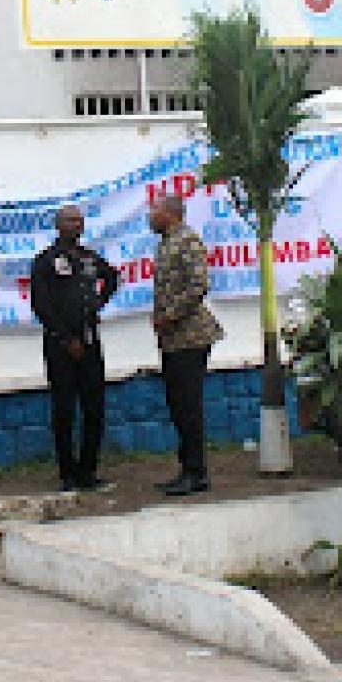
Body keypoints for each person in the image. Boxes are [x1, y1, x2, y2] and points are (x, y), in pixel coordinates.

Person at [29, 203, 121, 492]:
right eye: (70, 220)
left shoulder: (88, 258)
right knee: (64, 410)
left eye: (80, 221)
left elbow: (112, 278)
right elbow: (40, 305)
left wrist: (98, 303)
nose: (76, 225)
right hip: (61, 347)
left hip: (91, 342)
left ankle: (88, 472)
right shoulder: (46, 260)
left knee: (95, 409)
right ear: (59, 225)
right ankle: (67, 474)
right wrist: (66, 338)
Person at [148, 193, 222, 497]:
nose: (150, 216)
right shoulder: (167, 242)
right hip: (173, 340)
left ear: (170, 214)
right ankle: (187, 469)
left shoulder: (187, 241)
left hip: (191, 337)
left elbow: (199, 284)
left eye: (154, 210)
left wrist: (170, 315)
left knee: (188, 407)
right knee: (178, 407)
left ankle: (196, 473)